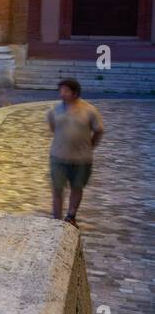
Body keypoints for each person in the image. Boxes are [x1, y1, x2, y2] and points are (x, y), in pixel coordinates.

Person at [47, 78, 103, 226]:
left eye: (66, 91)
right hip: (58, 156)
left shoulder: (90, 110)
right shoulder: (54, 110)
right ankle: (56, 221)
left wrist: (90, 146)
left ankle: (71, 215)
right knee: (57, 189)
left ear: (75, 93)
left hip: (82, 159)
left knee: (77, 187)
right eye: (60, 90)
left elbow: (98, 130)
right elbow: (54, 128)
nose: (62, 94)